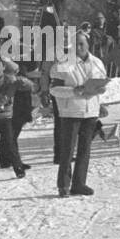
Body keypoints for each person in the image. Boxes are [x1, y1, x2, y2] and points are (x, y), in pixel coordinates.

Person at [50, 32, 108, 197]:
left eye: (82, 44)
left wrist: (101, 91)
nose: (79, 47)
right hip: (71, 112)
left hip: (90, 111)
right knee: (67, 150)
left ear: (88, 45)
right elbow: (54, 89)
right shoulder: (63, 64)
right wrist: (73, 91)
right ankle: (64, 185)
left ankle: (79, 183)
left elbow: (102, 83)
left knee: (85, 149)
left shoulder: (97, 63)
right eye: (76, 44)